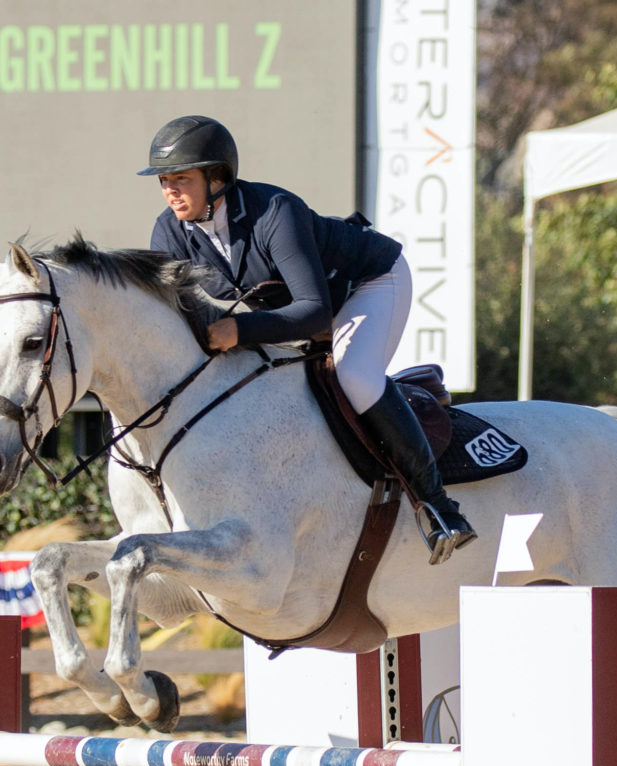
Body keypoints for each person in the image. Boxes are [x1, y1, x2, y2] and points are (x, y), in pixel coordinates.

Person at [140, 114, 476, 565]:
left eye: (181, 178)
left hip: (369, 284)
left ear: (217, 177)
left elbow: (314, 310)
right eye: (164, 181)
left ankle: (438, 506)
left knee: (354, 374)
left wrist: (238, 330)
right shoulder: (169, 232)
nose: (170, 191)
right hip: (295, 312)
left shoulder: (275, 212)